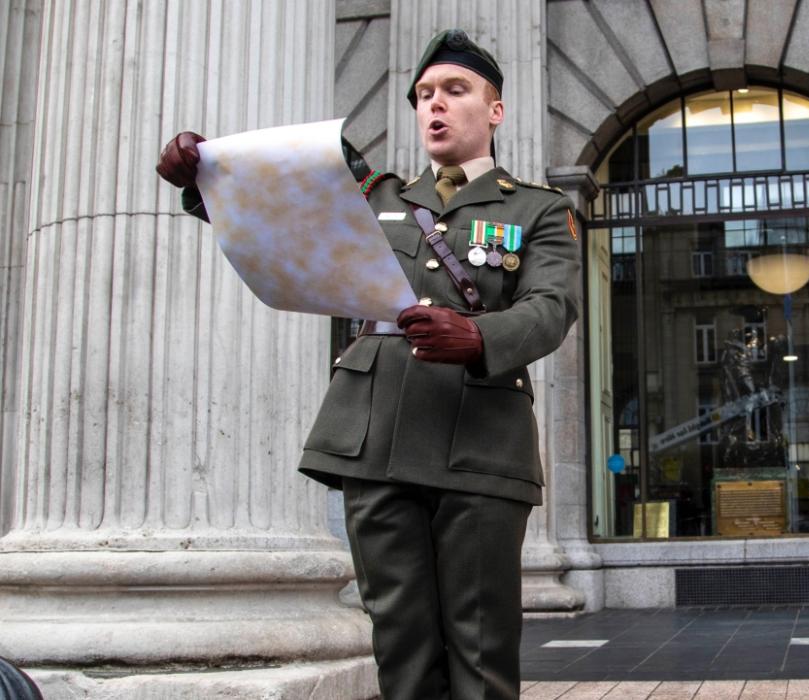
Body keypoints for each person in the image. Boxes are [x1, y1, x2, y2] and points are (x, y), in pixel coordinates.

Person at [156, 29, 581, 700]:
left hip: (479, 441)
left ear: (494, 110)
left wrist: (475, 337)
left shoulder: (539, 209)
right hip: (373, 438)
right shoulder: (372, 193)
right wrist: (203, 175)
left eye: (455, 90)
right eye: (424, 94)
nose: (434, 105)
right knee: (401, 647)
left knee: (480, 648)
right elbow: (278, 211)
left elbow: (550, 309)